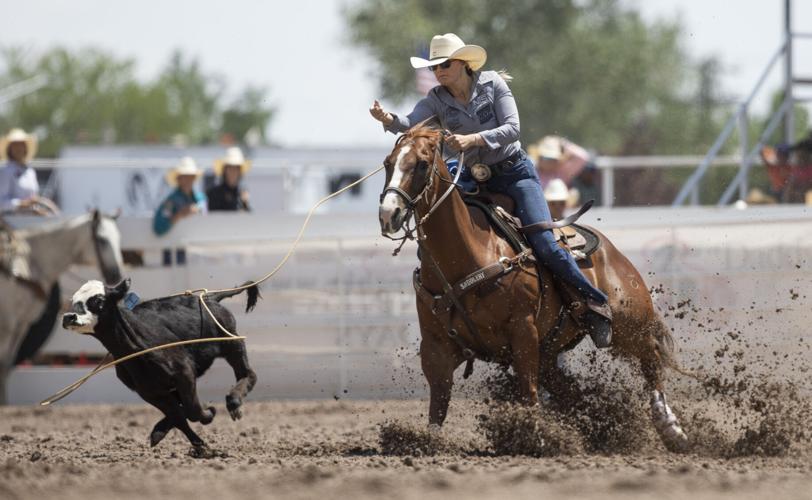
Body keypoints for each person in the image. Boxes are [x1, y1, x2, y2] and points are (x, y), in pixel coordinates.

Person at [368, 32, 612, 347]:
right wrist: (387, 118)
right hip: (473, 176)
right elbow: (411, 123)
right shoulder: (436, 100)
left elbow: (513, 129)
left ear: (463, 64)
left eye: (444, 64)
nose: (438, 71)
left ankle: (595, 304)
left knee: (546, 244)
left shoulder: (494, 84)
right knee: (439, 231)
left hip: (514, 174)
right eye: (434, 67)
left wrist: (474, 140)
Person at [0, 128, 59, 215]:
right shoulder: (5, 171)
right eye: (15, 145)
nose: (18, 148)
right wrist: (21, 203)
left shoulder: (30, 171)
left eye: (21, 145)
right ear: (10, 149)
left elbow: (34, 196)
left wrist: (39, 204)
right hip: (12, 220)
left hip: (32, 216)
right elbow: (1, 202)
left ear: (25, 147)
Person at [153, 157, 207, 237]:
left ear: (194, 178)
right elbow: (159, 228)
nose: (188, 179)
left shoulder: (201, 199)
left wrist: (197, 211)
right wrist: (179, 215)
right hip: (175, 246)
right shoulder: (170, 202)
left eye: (191, 176)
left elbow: (207, 219)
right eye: (184, 176)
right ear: (178, 179)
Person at [207, 147, 251, 211]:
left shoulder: (241, 192)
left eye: (236, 168)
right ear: (224, 170)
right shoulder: (214, 193)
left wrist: (245, 203)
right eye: (230, 168)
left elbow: (248, 218)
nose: (233, 172)